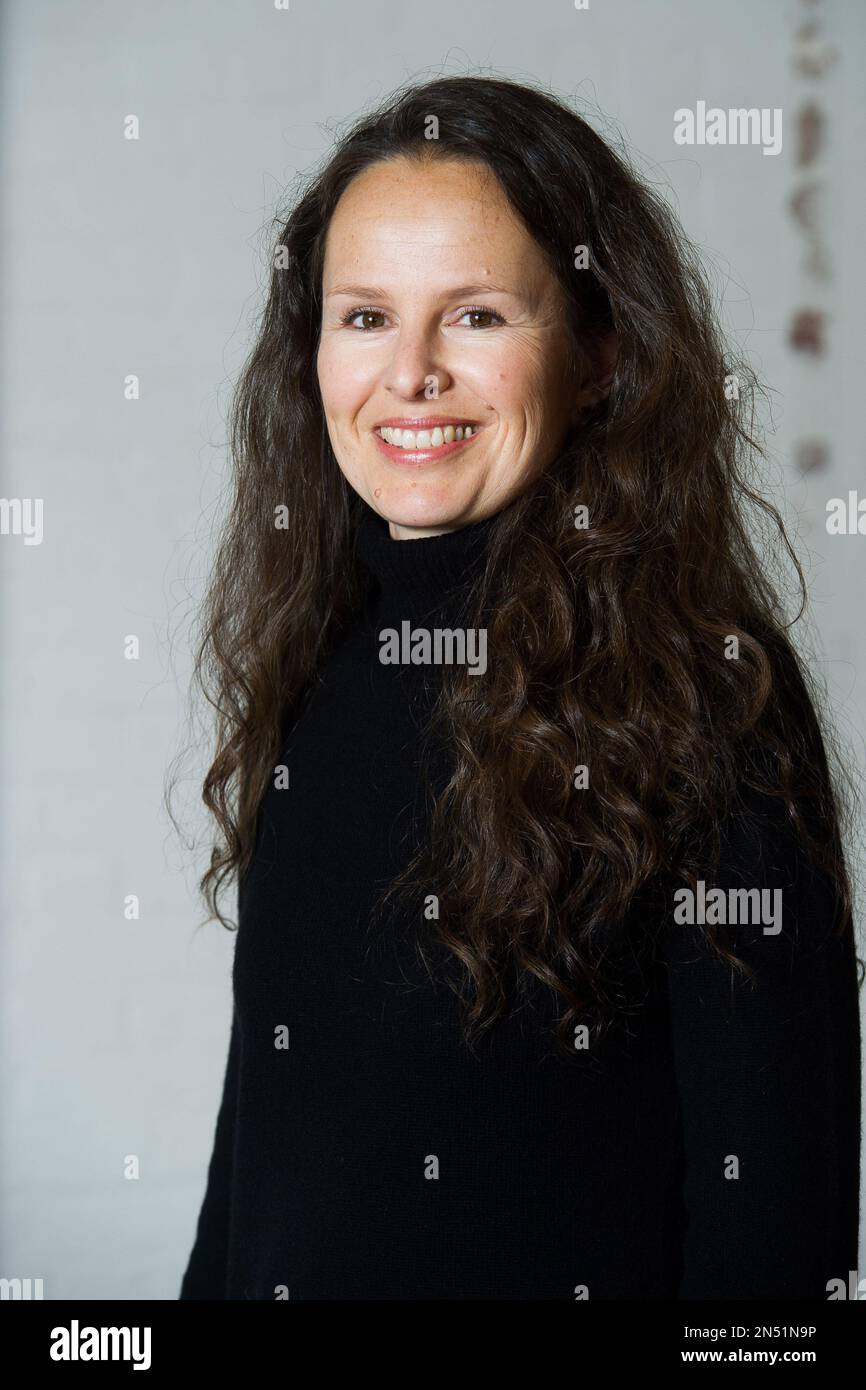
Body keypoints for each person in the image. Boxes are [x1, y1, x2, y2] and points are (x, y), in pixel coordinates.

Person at [178, 75, 861, 1300]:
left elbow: (775, 1234)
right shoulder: (311, 655)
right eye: (365, 317)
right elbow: (256, 1157)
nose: (413, 373)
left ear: (600, 352)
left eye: (479, 316)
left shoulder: (708, 700)